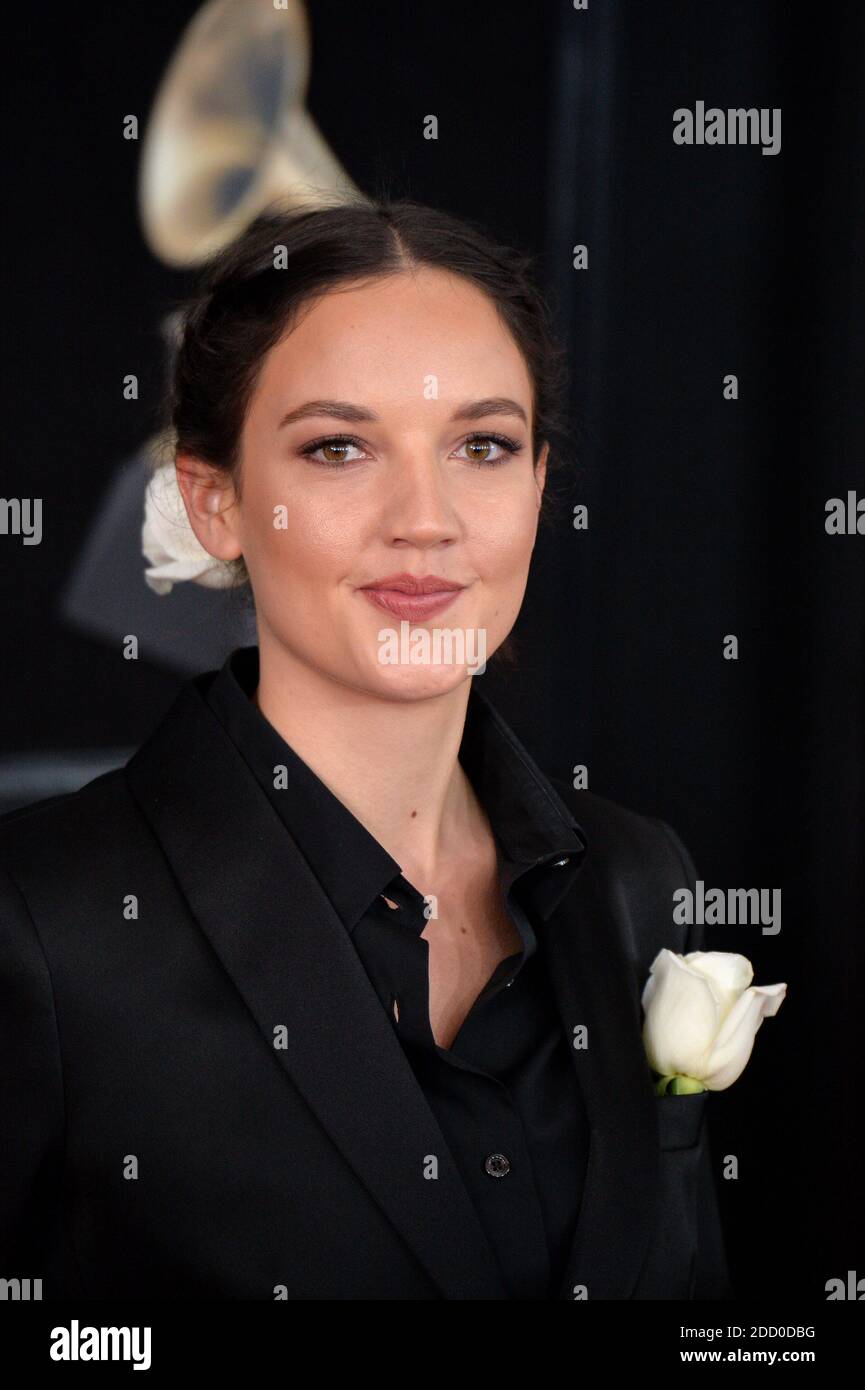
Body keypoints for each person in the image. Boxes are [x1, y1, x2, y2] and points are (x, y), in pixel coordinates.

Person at [0, 198, 732, 1300]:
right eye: (339, 447)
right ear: (215, 502)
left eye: (481, 446)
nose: (425, 518)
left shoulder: (639, 880)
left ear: (537, 486)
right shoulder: (38, 924)